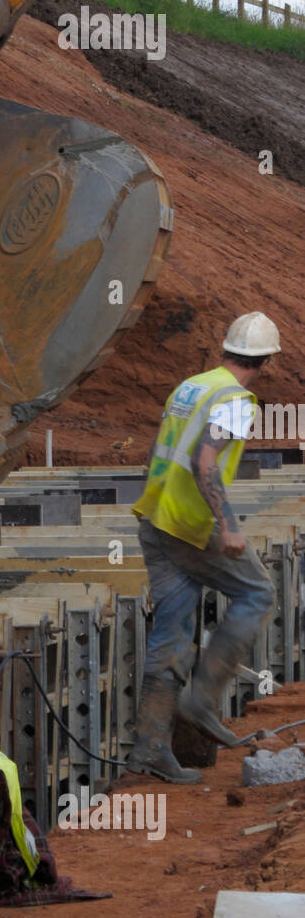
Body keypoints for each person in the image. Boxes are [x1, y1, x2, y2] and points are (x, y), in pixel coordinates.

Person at [126, 312, 280, 781]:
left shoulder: (192, 386)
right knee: (258, 593)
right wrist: (228, 525)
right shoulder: (238, 400)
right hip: (191, 525)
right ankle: (202, 700)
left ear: (228, 349)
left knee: (169, 635)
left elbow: (161, 448)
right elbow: (204, 459)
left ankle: (150, 749)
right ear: (265, 360)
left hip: (156, 518)